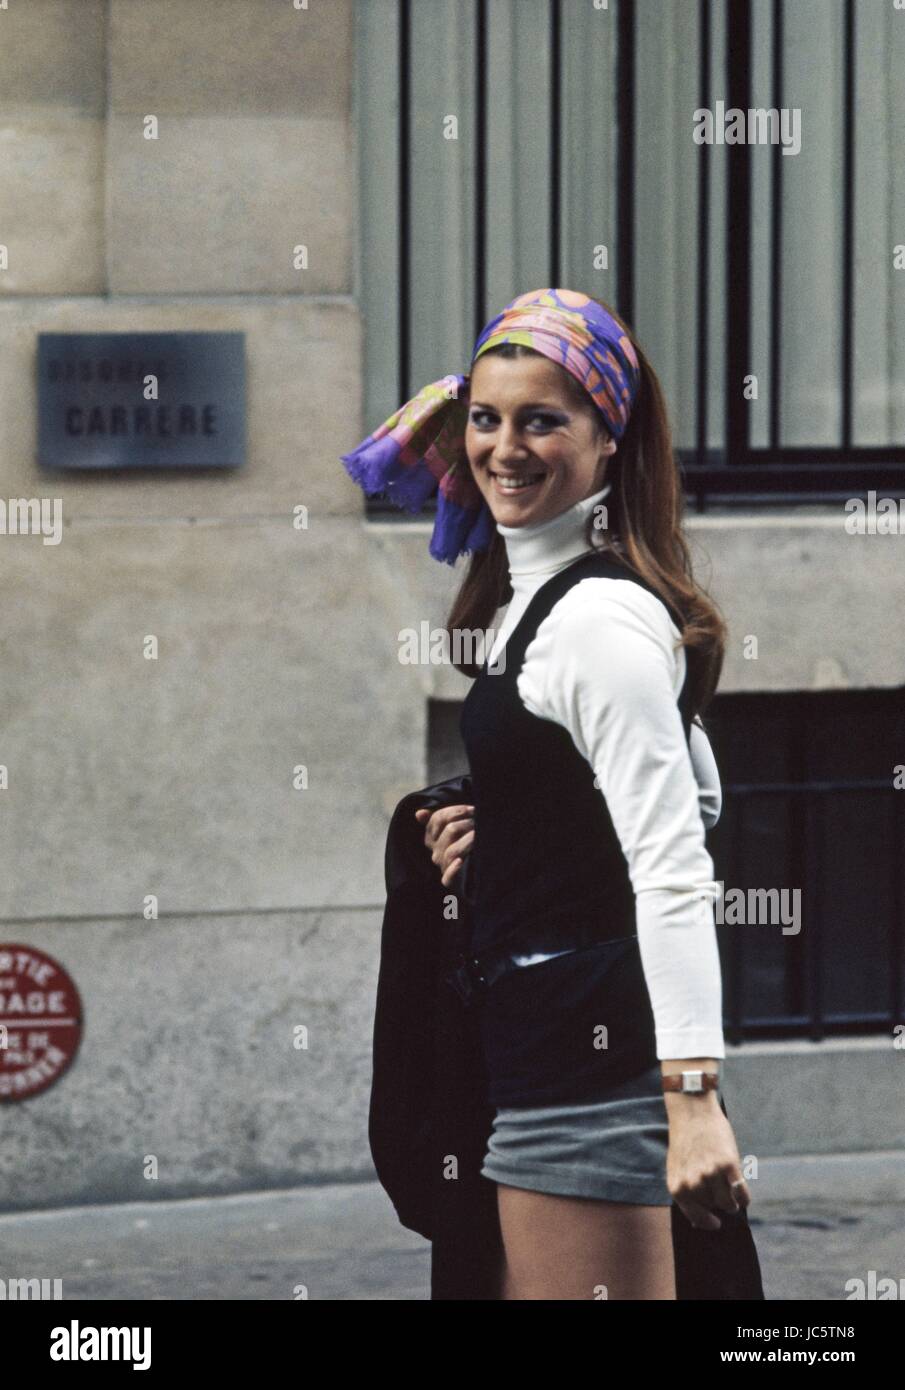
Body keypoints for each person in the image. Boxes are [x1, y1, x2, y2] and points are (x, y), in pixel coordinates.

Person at [341, 287, 751, 1301]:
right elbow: (648, 807)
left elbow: (670, 866)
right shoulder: (540, 596)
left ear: (607, 438)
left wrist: (692, 1099)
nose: (503, 447)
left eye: (542, 419)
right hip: (543, 1054)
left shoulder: (596, 622)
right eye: (484, 417)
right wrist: (501, 839)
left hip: (581, 1082)